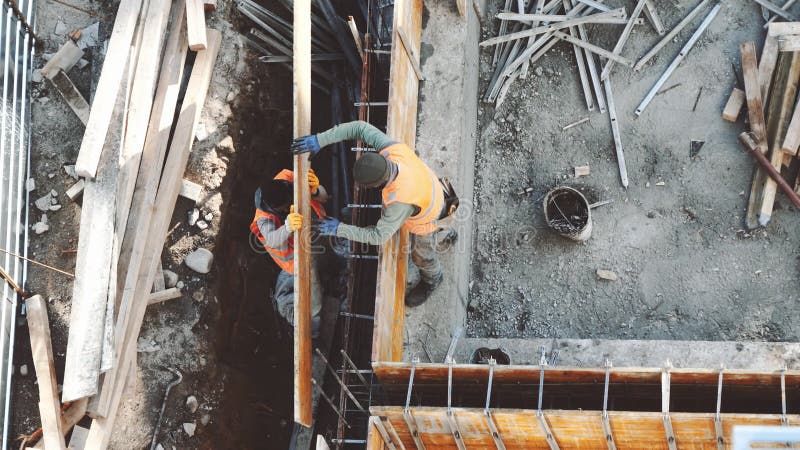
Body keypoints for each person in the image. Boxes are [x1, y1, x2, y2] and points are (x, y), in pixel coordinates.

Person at [291, 121, 457, 307]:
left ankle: (433, 279)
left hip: (428, 218)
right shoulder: (392, 151)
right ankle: (447, 232)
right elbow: (360, 128)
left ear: (377, 184)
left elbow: (379, 236)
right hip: (431, 189)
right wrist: (320, 139)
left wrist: (339, 229)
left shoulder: (399, 200)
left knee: (420, 254)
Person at [250, 168, 328, 337]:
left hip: (319, 234)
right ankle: (312, 330)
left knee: (329, 258)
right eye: (286, 206)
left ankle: (330, 271)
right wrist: (287, 227)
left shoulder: (288, 178)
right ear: (277, 209)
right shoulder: (263, 219)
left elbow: (324, 198)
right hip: (301, 261)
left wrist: (315, 190)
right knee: (312, 298)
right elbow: (272, 239)